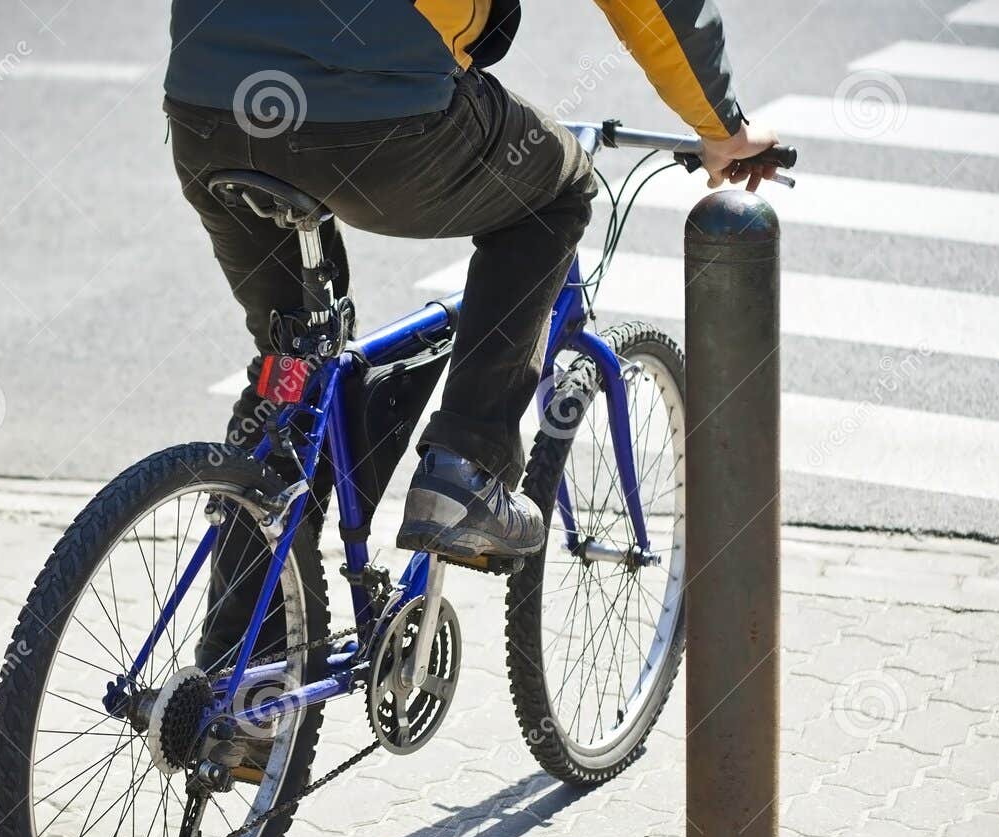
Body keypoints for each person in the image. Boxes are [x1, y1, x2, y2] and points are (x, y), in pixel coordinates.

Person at [166, 0, 778, 563]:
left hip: (205, 107)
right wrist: (723, 126)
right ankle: (464, 470)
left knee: (294, 366)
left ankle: (239, 664)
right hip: (374, 108)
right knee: (555, 189)